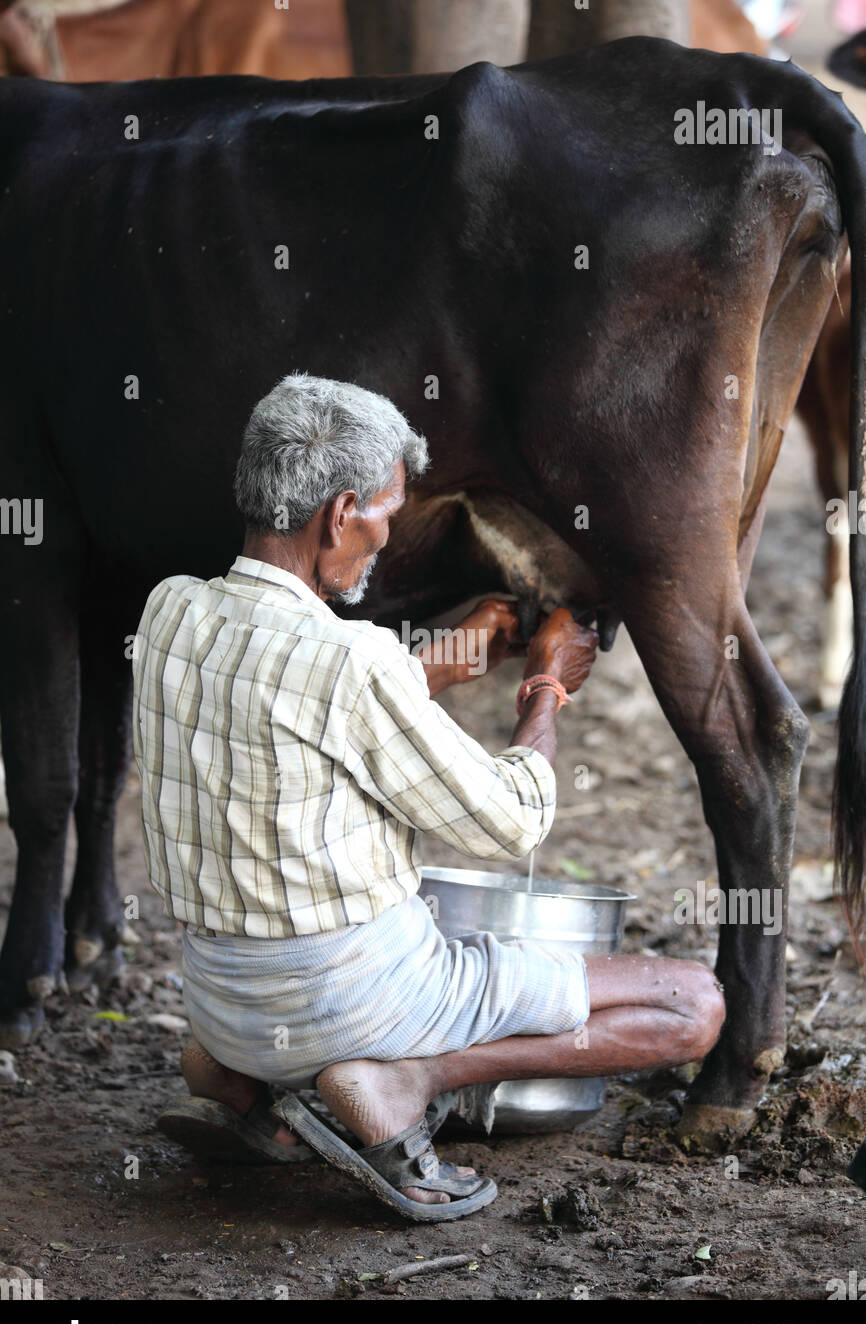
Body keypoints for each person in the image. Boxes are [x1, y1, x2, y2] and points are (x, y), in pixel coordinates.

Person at [133, 373, 725, 1221]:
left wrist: (447, 660)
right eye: (384, 512)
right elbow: (511, 818)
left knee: (251, 1013)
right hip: (356, 1001)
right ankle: (409, 1075)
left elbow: (293, 702)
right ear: (340, 514)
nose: (385, 536)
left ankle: (242, 1082)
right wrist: (546, 693)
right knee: (692, 1006)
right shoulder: (354, 661)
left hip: (221, 1005)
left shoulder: (168, 614)